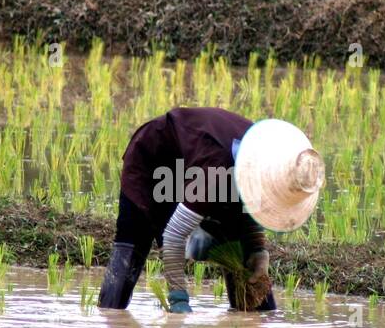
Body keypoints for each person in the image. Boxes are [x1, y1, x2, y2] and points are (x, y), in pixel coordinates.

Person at [98, 107, 324, 313]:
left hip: (205, 166)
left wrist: (258, 251)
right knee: (133, 242)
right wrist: (178, 297)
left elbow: (251, 211)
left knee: (240, 255)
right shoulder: (216, 168)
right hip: (154, 165)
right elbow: (174, 235)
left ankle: (253, 322)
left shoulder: (265, 161)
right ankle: (109, 315)